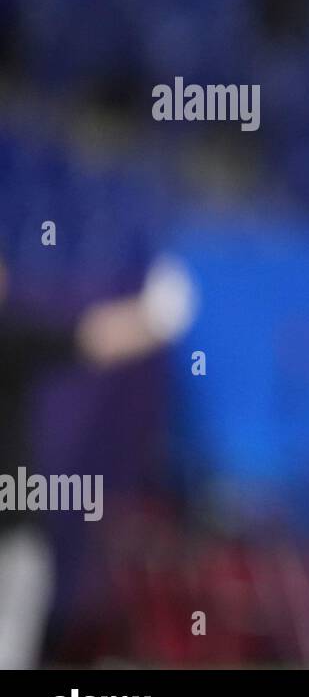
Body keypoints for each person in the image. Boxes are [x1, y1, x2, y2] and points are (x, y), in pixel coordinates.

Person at [0, 251, 195, 667]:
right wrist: (158, 315)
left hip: (12, 540)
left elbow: (95, 337)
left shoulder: (12, 332)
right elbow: (99, 337)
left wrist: (155, 318)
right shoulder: (10, 331)